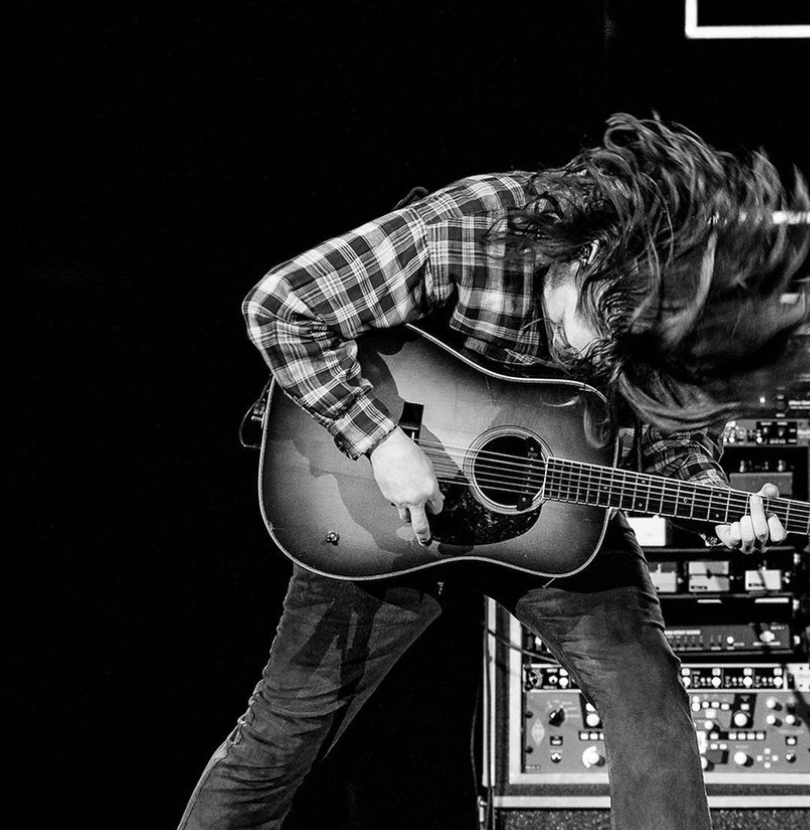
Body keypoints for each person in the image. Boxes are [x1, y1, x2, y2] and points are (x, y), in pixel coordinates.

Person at [178, 113, 810, 829]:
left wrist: (708, 497)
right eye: (604, 329)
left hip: (549, 522)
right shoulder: (474, 226)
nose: (602, 359)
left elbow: (663, 426)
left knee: (649, 694)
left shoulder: (659, 313)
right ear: (590, 255)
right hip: (376, 506)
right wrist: (382, 440)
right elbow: (282, 306)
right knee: (282, 732)